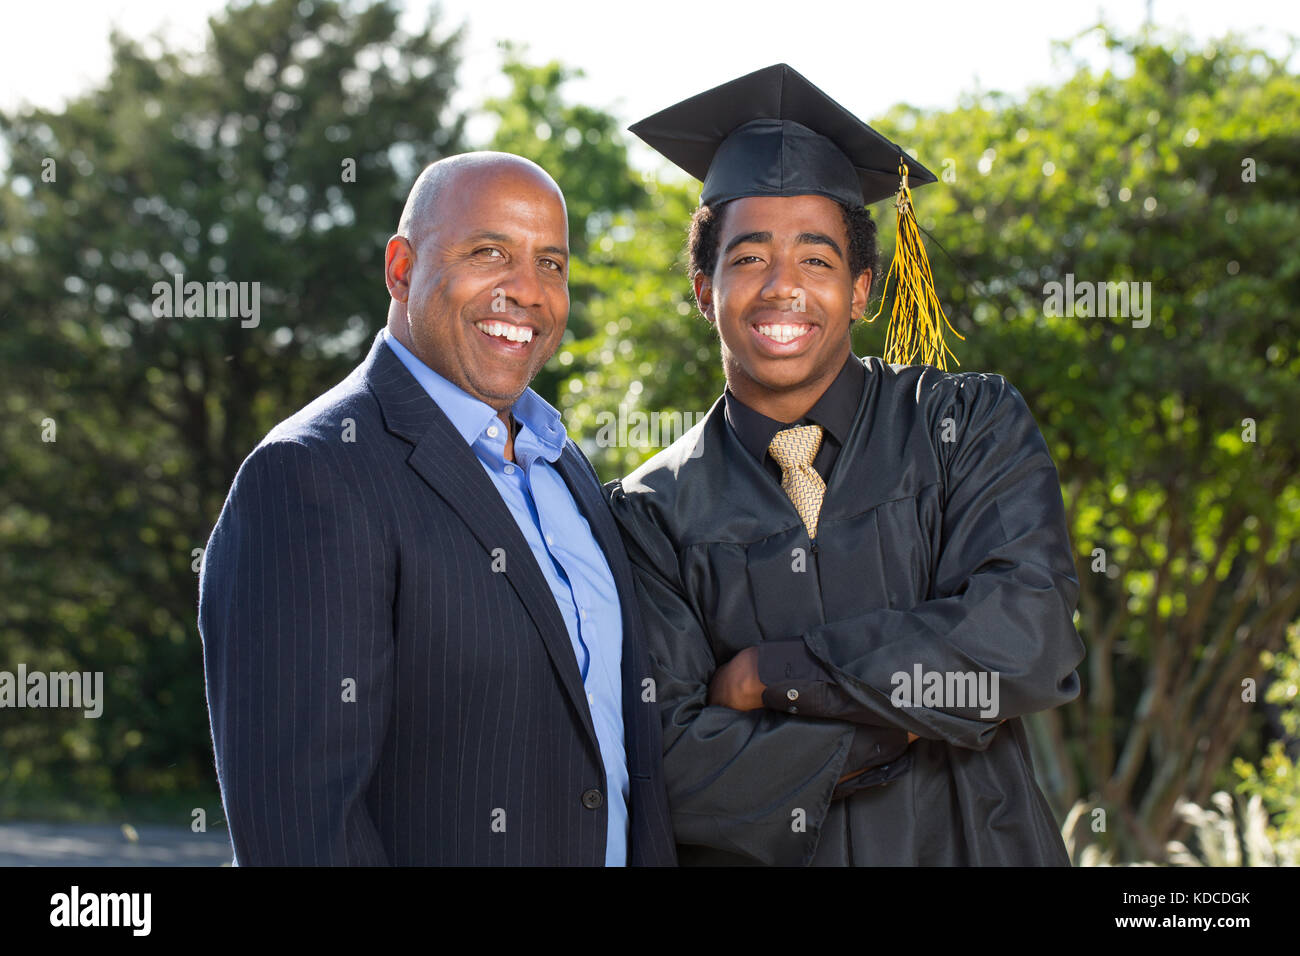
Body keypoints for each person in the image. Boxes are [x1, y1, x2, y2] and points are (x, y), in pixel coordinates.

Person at [608, 65, 1086, 865]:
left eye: (818, 262)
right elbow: (671, 764)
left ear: (863, 289)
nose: (783, 288)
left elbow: (1026, 640)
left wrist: (774, 675)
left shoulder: (966, 429)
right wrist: (906, 714)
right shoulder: (649, 514)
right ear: (703, 288)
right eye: (750, 258)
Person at [199, 151, 675, 866]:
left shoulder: (561, 463)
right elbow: (302, 832)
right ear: (401, 269)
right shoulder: (311, 476)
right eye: (491, 253)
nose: (528, 291)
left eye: (552, 263)